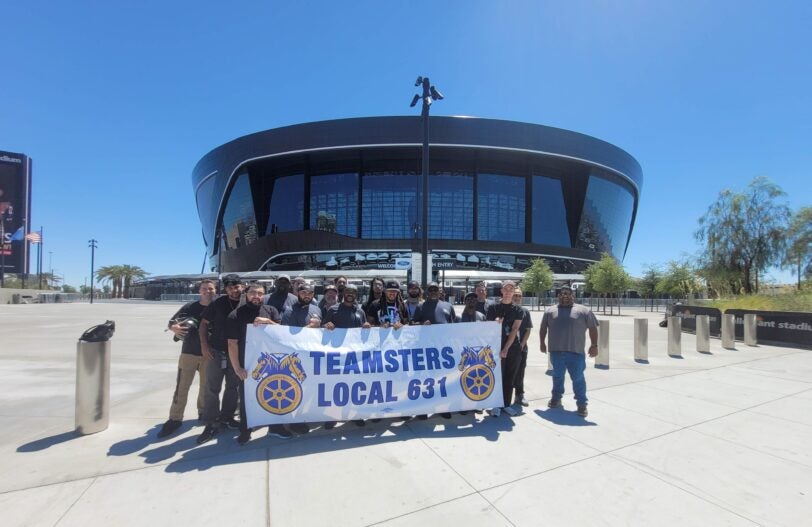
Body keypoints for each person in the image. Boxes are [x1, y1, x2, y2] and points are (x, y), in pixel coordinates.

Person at [226, 283, 292, 444]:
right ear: (246, 294)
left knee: (274, 396)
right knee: (247, 398)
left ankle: (275, 427)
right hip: (247, 364)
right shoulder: (235, 315)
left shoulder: (271, 311)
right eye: (253, 293)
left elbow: (282, 333)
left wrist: (268, 322)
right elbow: (232, 344)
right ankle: (245, 429)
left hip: (270, 363)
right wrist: (237, 368)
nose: (257, 296)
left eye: (260, 293)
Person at [157, 280, 217, 438]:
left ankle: (203, 413)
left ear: (215, 290)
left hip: (208, 354)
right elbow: (171, 323)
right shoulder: (189, 307)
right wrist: (173, 328)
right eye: (205, 289)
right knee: (182, 387)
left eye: (211, 289)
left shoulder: (217, 307)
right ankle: (175, 418)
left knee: (206, 387)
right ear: (200, 290)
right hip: (188, 353)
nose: (208, 291)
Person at [196, 274, 244, 444]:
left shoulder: (247, 302)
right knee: (212, 387)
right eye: (230, 288)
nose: (234, 290)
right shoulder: (218, 303)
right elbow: (203, 324)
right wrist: (204, 345)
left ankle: (227, 417)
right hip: (217, 351)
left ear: (242, 286)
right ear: (226, 289)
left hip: (237, 353)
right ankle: (211, 422)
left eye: (236, 287)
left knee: (233, 387)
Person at [539, 285, 599, 417]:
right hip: (556, 351)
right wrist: (542, 343)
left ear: (573, 295)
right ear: (558, 296)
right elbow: (543, 328)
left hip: (576, 352)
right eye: (561, 293)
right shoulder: (550, 311)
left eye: (567, 293)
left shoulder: (584, 311)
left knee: (578, 378)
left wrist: (594, 345)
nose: (564, 296)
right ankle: (556, 398)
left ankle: (582, 404)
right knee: (557, 376)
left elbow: (593, 328)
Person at [322, 283, 371, 426]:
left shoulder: (360, 312)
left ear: (356, 295)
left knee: (353, 387)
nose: (350, 294)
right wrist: (326, 326)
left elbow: (363, 332)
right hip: (337, 356)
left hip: (354, 357)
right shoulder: (333, 309)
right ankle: (331, 417)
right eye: (348, 291)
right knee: (335, 388)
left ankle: (355, 415)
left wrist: (366, 326)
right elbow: (322, 331)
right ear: (343, 293)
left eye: (353, 292)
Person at [486, 280, 525, 417]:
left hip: (511, 348)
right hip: (495, 347)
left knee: (510, 376)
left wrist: (506, 349)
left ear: (514, 292)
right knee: (497, 376)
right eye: (506, 289)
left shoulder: (518, 310)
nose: (508, 292)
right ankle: (495, 405)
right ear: (501, 291)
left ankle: (506, 404)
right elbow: (487, 327)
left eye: (511, 289)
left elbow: (515, 329)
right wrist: (495, 323)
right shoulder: (492, 308)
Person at [512, 287, 533, 407]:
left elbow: (528, 329)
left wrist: (522, 344)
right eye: (515, 295)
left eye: (519, 296)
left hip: (521, 347)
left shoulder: (526, 311)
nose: (517, 298)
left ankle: (519, 394)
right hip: (508, 347)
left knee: (520, 371)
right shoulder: (507, 310)